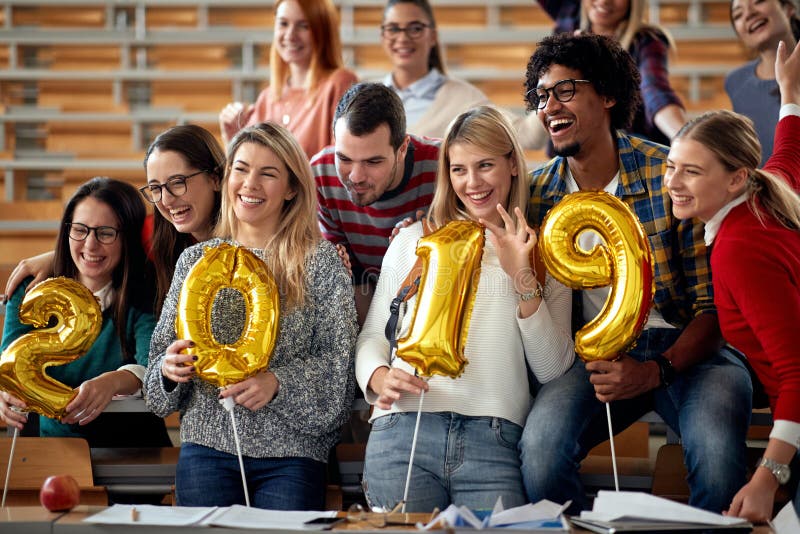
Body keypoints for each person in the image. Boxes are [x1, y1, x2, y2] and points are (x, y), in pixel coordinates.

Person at [519, 33, 753, 514]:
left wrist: (653, 371)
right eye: (541, 96)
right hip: (590, 357)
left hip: (684, 349)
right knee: (540, 456)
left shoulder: (668, 174)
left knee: (716, 459)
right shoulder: (535, 192)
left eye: (565, 90)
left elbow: (713, 310)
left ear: (607, 94)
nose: (549, 106)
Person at [355, 106, 575, 512]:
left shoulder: (544, 252)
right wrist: (378, 376)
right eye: (458, 169)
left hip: (495, 439)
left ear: (512, 163)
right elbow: (371, 337)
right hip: (404, 427)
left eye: (485, 165)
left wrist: (521, 277)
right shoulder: (414, 239)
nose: (471, 183)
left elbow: (553, 368)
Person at [144, 122, 357, 510]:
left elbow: (340, 375)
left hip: (292, 457)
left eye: (268, 173)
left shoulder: (322, 264)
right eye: (240, 169)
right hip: (206, 451)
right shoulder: (194, 261)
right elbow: (157, 391)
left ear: (292, 188)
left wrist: (278, 384)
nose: (250, 184)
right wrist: (168, 370)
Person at [666, 40, 800, 521]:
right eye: (670, 166)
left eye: (692, 172)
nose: (673, 183)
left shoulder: (740, 251)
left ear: (736, 177)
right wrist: (789, 93)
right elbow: (790, 147)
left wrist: (767, 479)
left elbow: (797, 374)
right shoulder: (769, 189)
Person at [0, 178, 170, 449]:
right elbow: (9, 360)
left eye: (105, 233)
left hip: (128, 448)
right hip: (43, 450)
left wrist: (114, 381)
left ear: (127, 237)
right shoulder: (31, 287)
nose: (90, 245)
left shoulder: (146, 291)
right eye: (80, 230)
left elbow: (153, 367)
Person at [2, 124, 225, 318]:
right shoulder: (154, 234)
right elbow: (105, 244)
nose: (166, 200)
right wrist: (55, 257)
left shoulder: (249, 233)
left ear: (215, 178)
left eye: (177, 182)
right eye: (155, 188)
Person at [311, 82, 440, 324]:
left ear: (402, 149)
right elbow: (355, 281)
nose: (355, 177)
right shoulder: (321, 174)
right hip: (367, 312)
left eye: (373, 162)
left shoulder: (445, 167)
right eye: (344, 158)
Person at [378, 0, 545, 148]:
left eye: (415, 28)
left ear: (433, 36)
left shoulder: (463, 99)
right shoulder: (364, 96)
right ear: (382, 35)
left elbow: (529, 136)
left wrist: (555, 80)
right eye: (393, 28)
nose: (403, 37)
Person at [218, 0, 357, 157]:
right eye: (283, 24)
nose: (290, 35)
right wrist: (231, 137)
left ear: (323, 31)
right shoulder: (267, 97)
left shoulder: (340, 83)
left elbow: (343, 165)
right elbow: (248, 171)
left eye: (304, 26)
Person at [537, 0, 686, 144]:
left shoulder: (645, 41)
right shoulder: (570, 15)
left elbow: (655, 90)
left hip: (630, 146)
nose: (604, 1)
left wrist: (682, 136)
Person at [726, 0, 799, 165]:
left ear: (788, 9)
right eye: (738, 14)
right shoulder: (735, 83)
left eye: (759, 1)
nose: (749, 14)